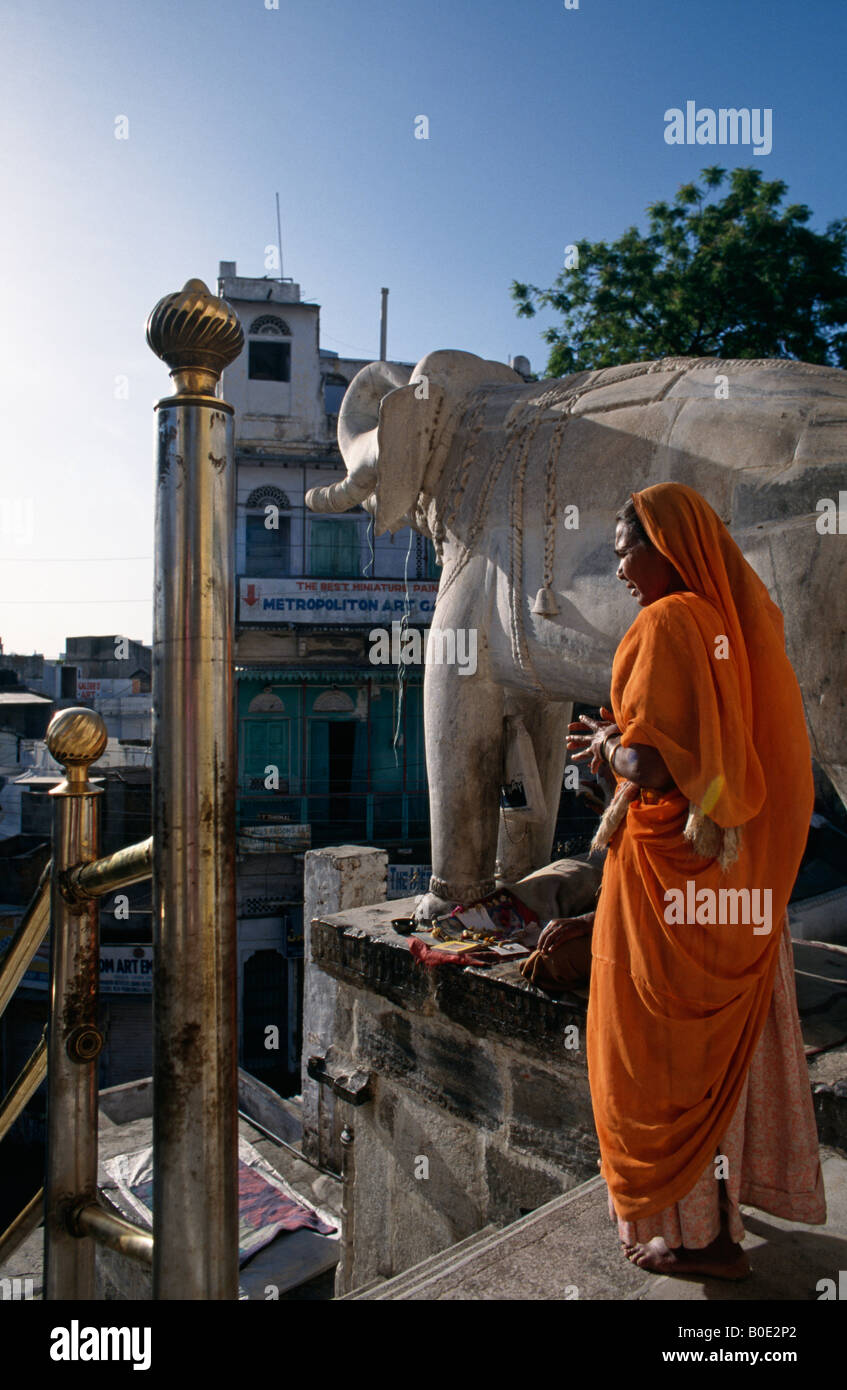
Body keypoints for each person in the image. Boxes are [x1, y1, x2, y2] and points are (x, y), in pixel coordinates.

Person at [553, 482, 826, 1280]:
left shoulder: (668, 623)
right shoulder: (731, 620)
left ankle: (690, 1235)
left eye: (624, 551)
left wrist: (608, 749)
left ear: (665, 545)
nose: (621, 570)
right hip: (728, 884)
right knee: (715, 1058)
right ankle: (716, 1222)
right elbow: (729, 762)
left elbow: (659, 764)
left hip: (670, 883)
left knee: (655, 1058)